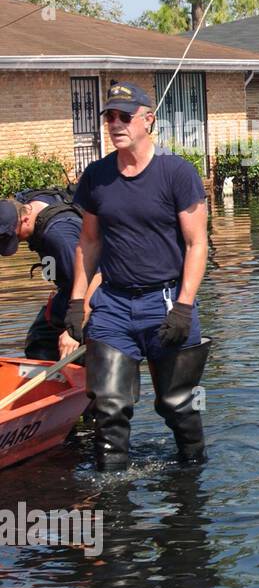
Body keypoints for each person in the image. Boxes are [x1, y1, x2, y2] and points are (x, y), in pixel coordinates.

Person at [64, 81, 211, 471]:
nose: (115, 123)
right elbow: (89, 243)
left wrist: (183, 306)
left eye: (124, 116)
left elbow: (197, 244)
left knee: (176, 404)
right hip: (112, 304)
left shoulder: (177, 172)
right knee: (108, 407)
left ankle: (191, 482)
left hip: (165, 302)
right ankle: (112, 495)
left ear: (149, 120)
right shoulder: (96, 177)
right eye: (109, 116)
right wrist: (78, 301)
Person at [0, 188, 97, 361]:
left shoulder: (59, 236)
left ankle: (79, 377)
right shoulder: (32, 202)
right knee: (40, 337)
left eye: (13, 237)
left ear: (25, 218)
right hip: (69, 290)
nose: (18, 241)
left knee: (62, 345)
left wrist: (74, 327)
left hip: (96, 294)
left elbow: (97, 275)